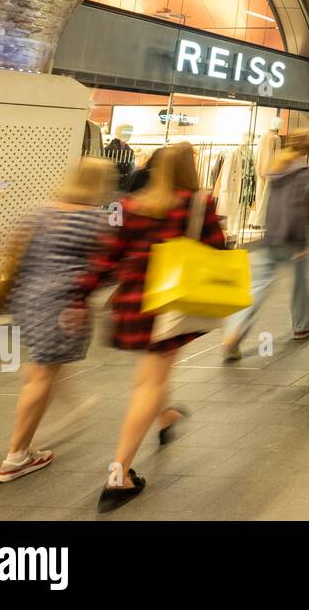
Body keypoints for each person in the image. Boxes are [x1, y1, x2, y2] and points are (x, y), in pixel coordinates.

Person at [75, 141, 225, 511]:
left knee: (158, 370)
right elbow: (217, 250)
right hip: (169, 305)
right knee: (149, 381)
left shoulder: (128, 206)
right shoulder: (198, 203)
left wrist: (81, 296)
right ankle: (118, 475)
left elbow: (106, 256)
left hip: (133, 304)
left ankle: (165, 418)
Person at [0, 158, 115, 482]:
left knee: (41, 369)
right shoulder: (96, 219)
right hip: (65, 306)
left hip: (27, 300)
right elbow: (105, 268)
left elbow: (15, 252)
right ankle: (17, 456)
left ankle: (29, 442)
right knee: (41, 375)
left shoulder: (39, 211)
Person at [222, 132, 309, 360]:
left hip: (270, 236)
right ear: (306, 148)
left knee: (257, 287)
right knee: (301, 285)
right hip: (291, 239)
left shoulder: (277, 169)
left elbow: (271, 205)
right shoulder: (302, 172)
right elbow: (296, 210)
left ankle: (235, 332)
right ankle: (303, 326)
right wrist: (302, 242)